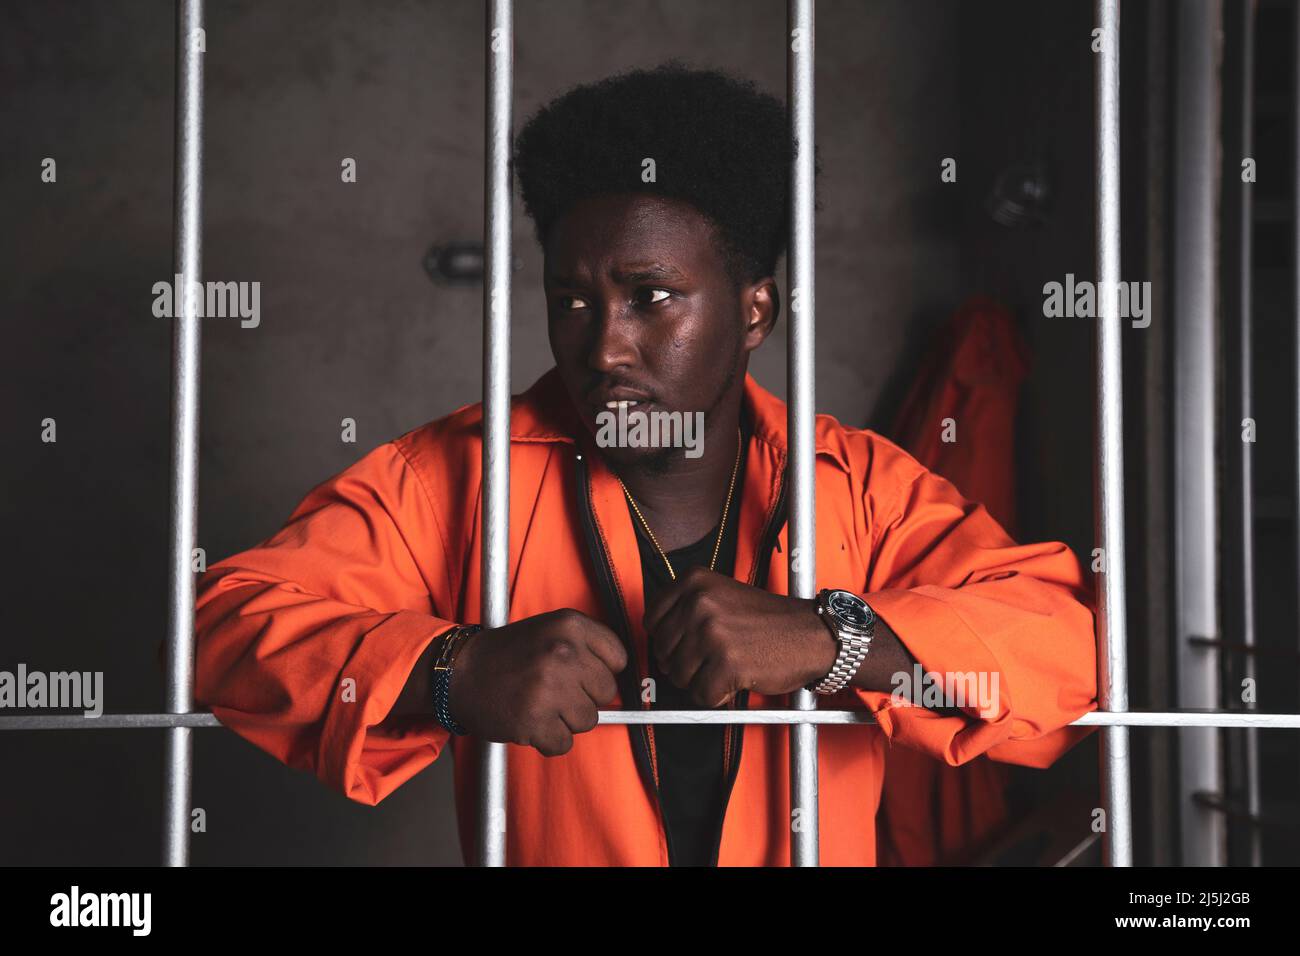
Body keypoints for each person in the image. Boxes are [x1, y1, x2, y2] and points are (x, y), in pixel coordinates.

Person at [193, 63, 1098, 867]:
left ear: (754, 312)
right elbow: (224, 632)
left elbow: (1065, 654)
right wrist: (450, 670)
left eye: (650, 297)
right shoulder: (460, 476)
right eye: (573, 301)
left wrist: (833, 643)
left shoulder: (854, 486)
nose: (606, 347)